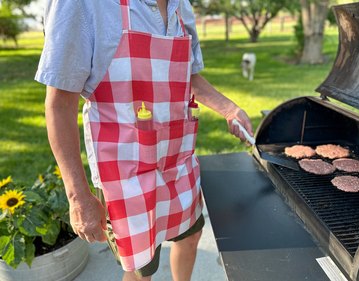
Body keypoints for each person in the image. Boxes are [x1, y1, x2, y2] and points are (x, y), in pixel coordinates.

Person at [35, 0, 253, 280]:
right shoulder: (82, 4)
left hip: (178, 158)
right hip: (125, 172)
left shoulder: (179, 6)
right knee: (141, 267)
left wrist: (229, 109)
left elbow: (190, 76)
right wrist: (78, 196)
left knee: (190, 235)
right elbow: (59, 103)